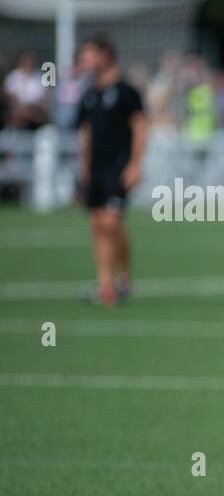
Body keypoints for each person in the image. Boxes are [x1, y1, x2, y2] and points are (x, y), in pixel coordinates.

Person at [75, 35, 147, 306]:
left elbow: (141, 128)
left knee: (112, 222)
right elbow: (85, 135)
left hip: (119, 167)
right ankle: (105, 285)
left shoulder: (127, 92)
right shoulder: (90, 95)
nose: (84, 61)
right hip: (96, 170)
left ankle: (124, 277)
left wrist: (136, 165)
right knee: (97, 223)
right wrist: (84, 171)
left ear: (105, 55)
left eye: (88, 55)